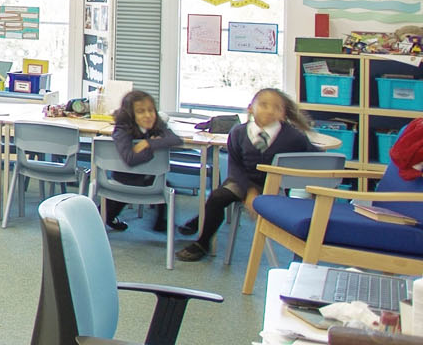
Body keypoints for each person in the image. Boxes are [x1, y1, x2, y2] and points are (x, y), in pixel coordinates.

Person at [178, 87, 318, 262]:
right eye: (264, 105)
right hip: (243, 180)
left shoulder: (293, 137)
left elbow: (314, 156)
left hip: (275, 185)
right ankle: (202, 243)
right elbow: (235, 168)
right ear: (251, 108)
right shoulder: (238, 132)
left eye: (276, 107)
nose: (269, 110)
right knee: (217, 197)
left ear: (283, 114)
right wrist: (249, 192)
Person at [103, 90, 183, 232]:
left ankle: (160, 223)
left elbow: (176, 139)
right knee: (106, 212)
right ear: (130, 114)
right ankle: (104, 219)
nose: (147, 115)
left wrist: (148, 144)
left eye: (151, 110)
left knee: (166, 185)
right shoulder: (122, 129)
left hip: (148, 180)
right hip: (124, 180)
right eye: (140, 111)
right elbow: (130, 159)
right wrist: (151, 149)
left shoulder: (156, 124)